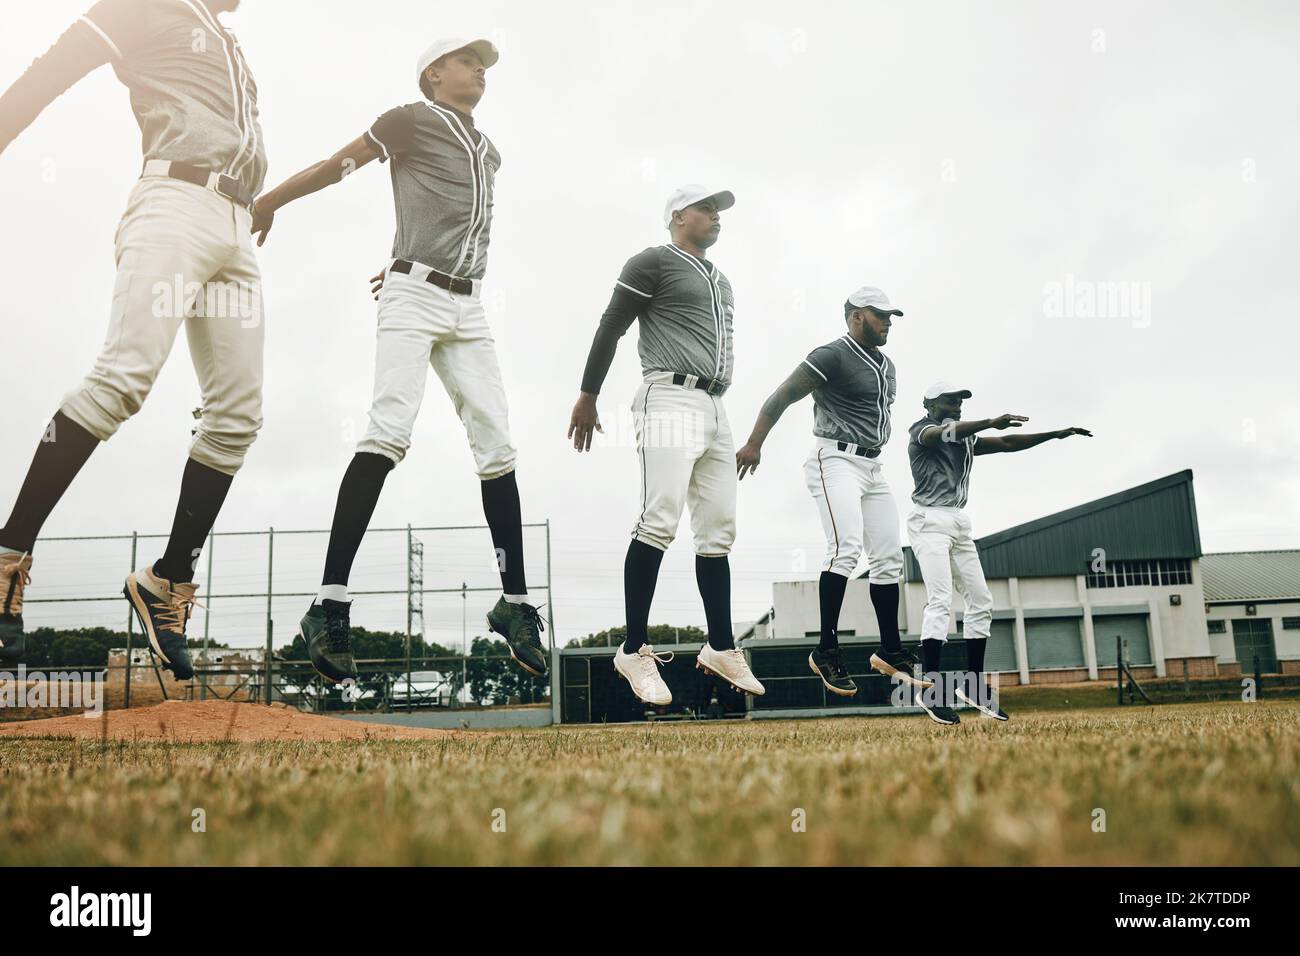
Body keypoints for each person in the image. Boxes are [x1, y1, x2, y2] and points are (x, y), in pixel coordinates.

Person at [251, 37, 547, 683]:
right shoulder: (409, 119)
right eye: (467, 60)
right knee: (389, 431)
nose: (480, 69)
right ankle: (328, 605)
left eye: (484, 63)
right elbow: (338, 164)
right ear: (434, 73)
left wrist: (414, 261)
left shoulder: (489, 148)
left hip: (467, 305)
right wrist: (271, 200)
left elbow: (447, 221)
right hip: (414, 296)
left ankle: (515, 604)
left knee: (498, 446)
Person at [0, 0, 268, 680]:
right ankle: (6, 556)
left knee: (237, 417)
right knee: (123, 378)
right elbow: (48, 72)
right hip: (174, 203)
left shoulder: (226, 39)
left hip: (237, 227)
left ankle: (166, 580)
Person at [568, 186, 764, 706]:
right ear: (678, 216)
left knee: (718, 529)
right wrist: (588, 395)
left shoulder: (720, 278)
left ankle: (720, 645)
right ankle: (633, 649)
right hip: (669, 395)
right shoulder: (653, 260)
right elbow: (611, 325)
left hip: (716, 405)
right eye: (707, 208)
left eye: (719, 210)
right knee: (659, 517)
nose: (717, 216)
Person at [737, 287, 927, 698]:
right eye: (880, 315)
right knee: (845, 548)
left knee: (889, 558)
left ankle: (890, 651)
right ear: (856, 316)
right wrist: (754, 443)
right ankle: (825, 650)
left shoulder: (887, 365)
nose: (888, 322)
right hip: (835, 459)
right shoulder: (831, 355)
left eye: (891, 316)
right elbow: (782, 395)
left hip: (872, 467)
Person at [906, 382, 1092, 724]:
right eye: (949, 401)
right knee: (941, 600)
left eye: (960, 401)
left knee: (981, 601)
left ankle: (972, 685)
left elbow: (1007, 444)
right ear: (929, 405)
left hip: (958, 522)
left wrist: (1054, 434)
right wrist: (990, 422)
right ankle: (930, 689)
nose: (957, 405)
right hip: (928, 521)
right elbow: (943, 433)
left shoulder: (966, 439)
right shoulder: (923, 431)